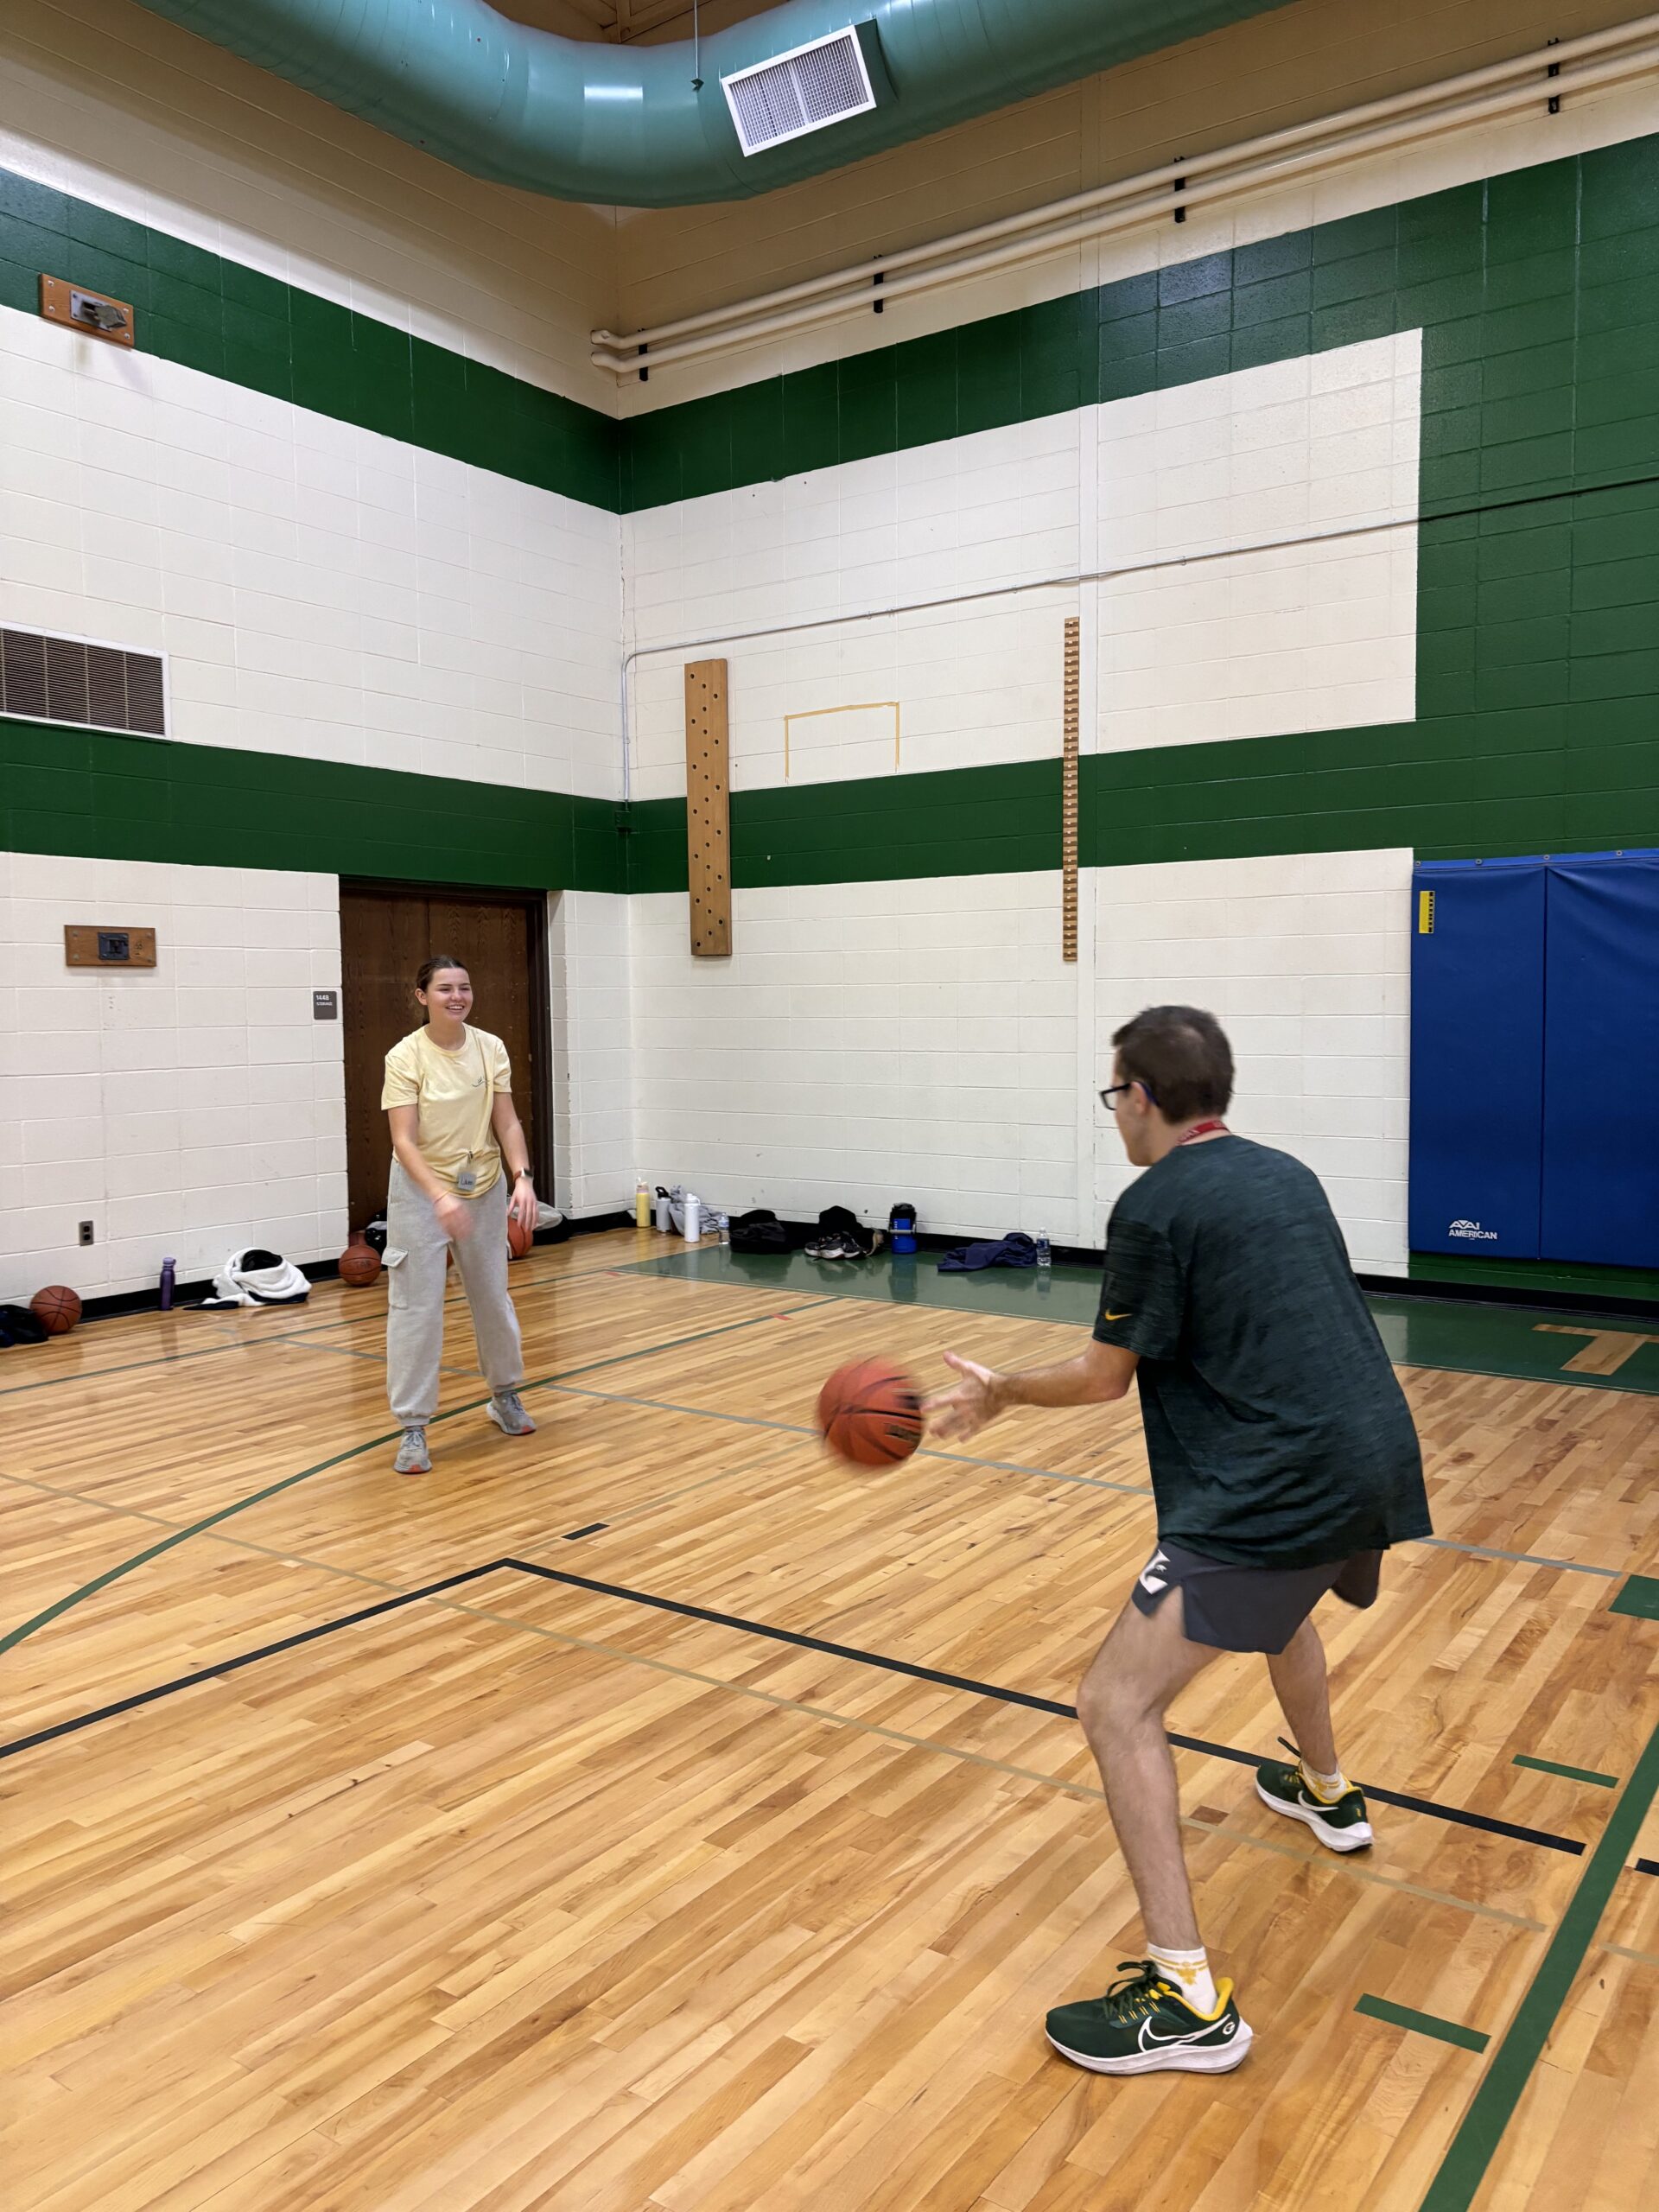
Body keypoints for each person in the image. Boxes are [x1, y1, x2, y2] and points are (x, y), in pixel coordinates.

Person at [924, 1004, 1430, 2075]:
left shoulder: (1153, 1204)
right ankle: (1327, 1791)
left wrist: (1005, 1391)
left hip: (1274, 1485)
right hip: (1371, 1447)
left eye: (1117, 1097)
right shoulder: (1285, 1170)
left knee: (1115, 1701)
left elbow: (1107, 1378)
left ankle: (1186, 1997)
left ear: (1142, 1098)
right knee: (1279, 1611)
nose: (1116, 1118)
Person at [381, 954, 540, 1475]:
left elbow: (508, 1122)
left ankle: (505, 1396)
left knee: (493, 1298)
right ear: (422, 995)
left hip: (483, 1185)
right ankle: (413, 1427)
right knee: (416, 1309)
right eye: (445, 988)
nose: (458, 996)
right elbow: (403, 1141)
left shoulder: (490, 1047)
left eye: (465, 987)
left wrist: (522, 1177)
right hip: (421, 1193)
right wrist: (439, 1197)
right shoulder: (405, 1056)